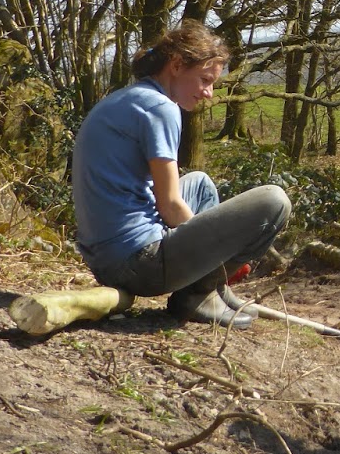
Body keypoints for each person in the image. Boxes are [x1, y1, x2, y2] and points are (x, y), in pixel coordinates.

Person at [72, 21, 291, 328]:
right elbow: (171, 206)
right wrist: (220, 254)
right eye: (204, 79)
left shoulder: (131, 97)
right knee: (274, 200)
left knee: (199, 183)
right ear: (176, 65)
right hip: (137, 263)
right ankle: (196, 295)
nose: (209, 94)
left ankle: (213, 289)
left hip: (106, 258)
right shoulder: (161, 108)